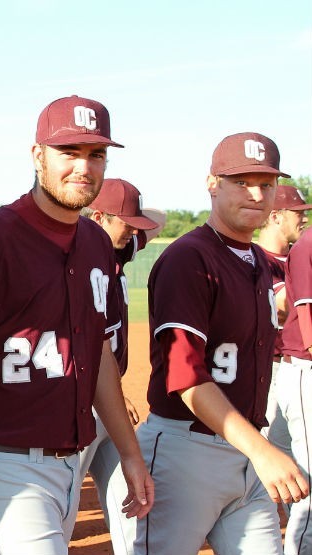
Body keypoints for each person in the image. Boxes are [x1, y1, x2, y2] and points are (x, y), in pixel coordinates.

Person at [0, 95, 154, 554]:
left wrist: (130, 454)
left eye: (95, 154)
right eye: (69, 152)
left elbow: (96, 354)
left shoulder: (96, 244)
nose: (84, 167)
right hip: (1, 470)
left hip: (66, 467)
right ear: (37, 156)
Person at [133, 132, 309, 555]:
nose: (257, 193)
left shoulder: (260, 263)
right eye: (242, 181)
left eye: (266, 184)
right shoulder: (188, 258)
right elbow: (185, 375)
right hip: (186, 448)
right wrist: (264, 452)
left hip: (244, 452)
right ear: (212, 183)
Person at [70, 179, 164, 554]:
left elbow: (157, 221)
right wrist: (115, 396)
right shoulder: (75, 261)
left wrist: (127, 210)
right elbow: (89, 343)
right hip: (82, 398)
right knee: (61, 496)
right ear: (97, 217)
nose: (133, 231)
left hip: (106, 399)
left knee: (128, 495)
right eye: (126, 222)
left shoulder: (117, 252)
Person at [274, 189, 312, 555]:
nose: (302, 216)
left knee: (283, 456)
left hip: (290, 371)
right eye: (295, 211)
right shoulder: (304, 248)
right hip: (296, 369)